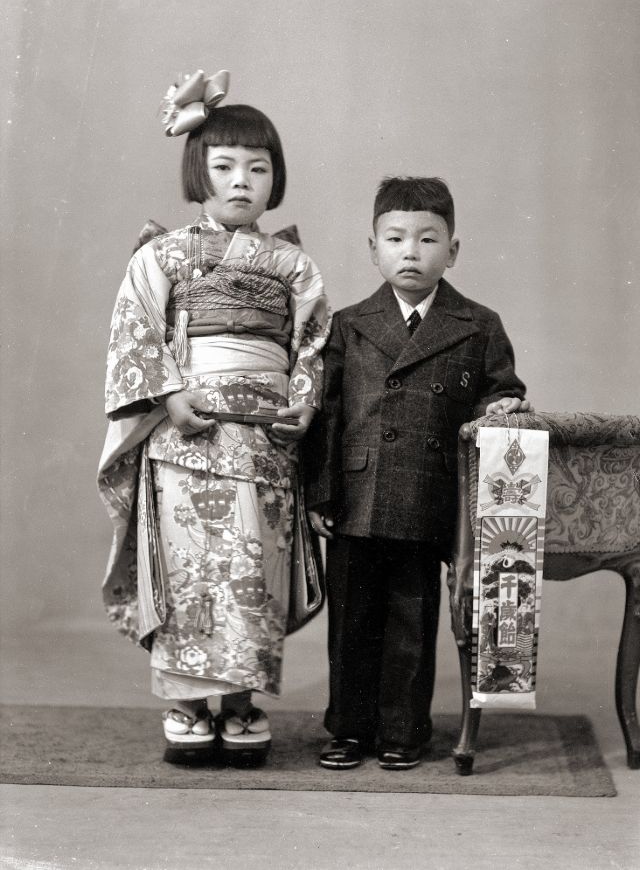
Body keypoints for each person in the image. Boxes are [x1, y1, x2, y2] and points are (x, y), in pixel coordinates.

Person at [98, 69, 330, 764]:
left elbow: (313, 343)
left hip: (262, 442)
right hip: (186, 435)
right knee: (191, 571)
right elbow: (135, 330)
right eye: (224, 167)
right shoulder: (164, 254)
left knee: (252, 572)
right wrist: (169, 396)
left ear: (274, 180)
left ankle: (240, 705)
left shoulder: (293, 264)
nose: (240, 182)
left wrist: (304, 401)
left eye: (257, 169)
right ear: (197, 171)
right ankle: (187, 704)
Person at [304, 176, 530, 770]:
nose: (412, 251)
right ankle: (349, 729)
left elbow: (502, 395)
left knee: (412, 614)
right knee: (352, 620)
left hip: (428, 494)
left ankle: (404, 731)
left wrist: (503, 407)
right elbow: (327, 414)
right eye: (397, 238)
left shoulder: (478, 325)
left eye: (428, 239)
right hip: (358, 492)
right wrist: (321, 492)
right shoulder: (350, 324)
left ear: (452, 251)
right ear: (372, 248)